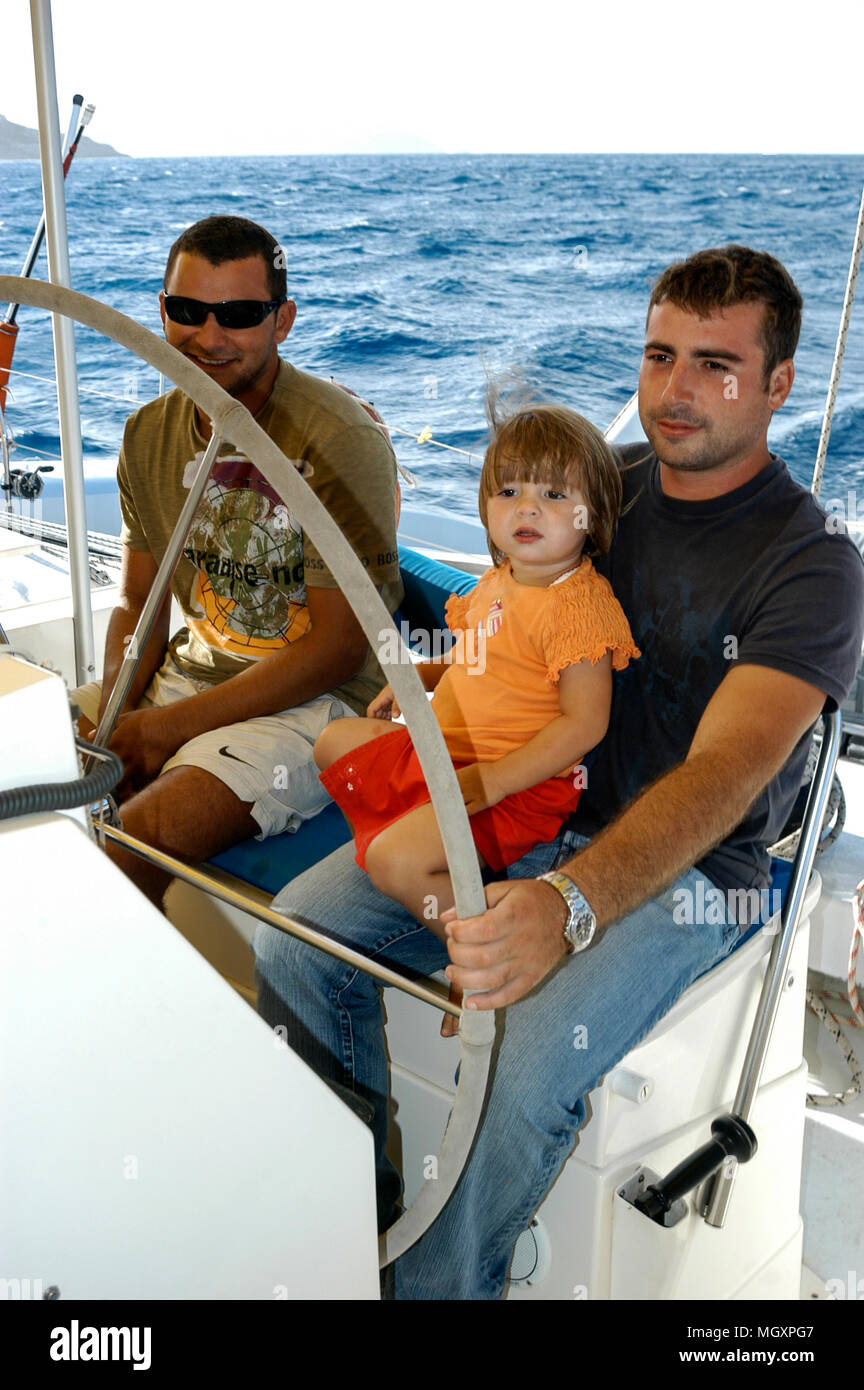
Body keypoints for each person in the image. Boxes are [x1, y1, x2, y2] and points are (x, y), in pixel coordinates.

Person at [252, 245, 864, 1298]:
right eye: (660, 354)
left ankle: (440, 1287)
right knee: (296, 940)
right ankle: (356, 1222)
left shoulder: (812, 567)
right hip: (543, 807)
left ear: (778, 385)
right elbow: (505, 602)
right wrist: (439, 678)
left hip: (696, 870)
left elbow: (726, 776)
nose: (675, 390)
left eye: (716, 364)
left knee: (526, 1063)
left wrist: (567, 906)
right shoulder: (602, 486)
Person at [76, 215, 401, 904]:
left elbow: (340, 648)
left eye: (240, 315)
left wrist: (158, 732)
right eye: (188, 312)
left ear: (283, 321)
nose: (209, 337)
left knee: (123, 848)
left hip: (310, 709)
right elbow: (140, 603)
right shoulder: (147, 435)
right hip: (185, 677)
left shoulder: (340, 438)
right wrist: (116, 709)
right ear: (161, 311)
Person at [313, 405, 639, 1015]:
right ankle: (426, 823)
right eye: (509, 490)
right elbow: (476, 657)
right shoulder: (500, 581)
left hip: (514, 787)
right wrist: (420, 673)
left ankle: (475, 953)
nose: (527, 507)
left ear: (591, 515)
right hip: (449, 757)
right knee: (333, 742)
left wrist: (487, 784)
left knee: (392, 860)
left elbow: (584, 723)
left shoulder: (579, 608)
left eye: (553, 493)